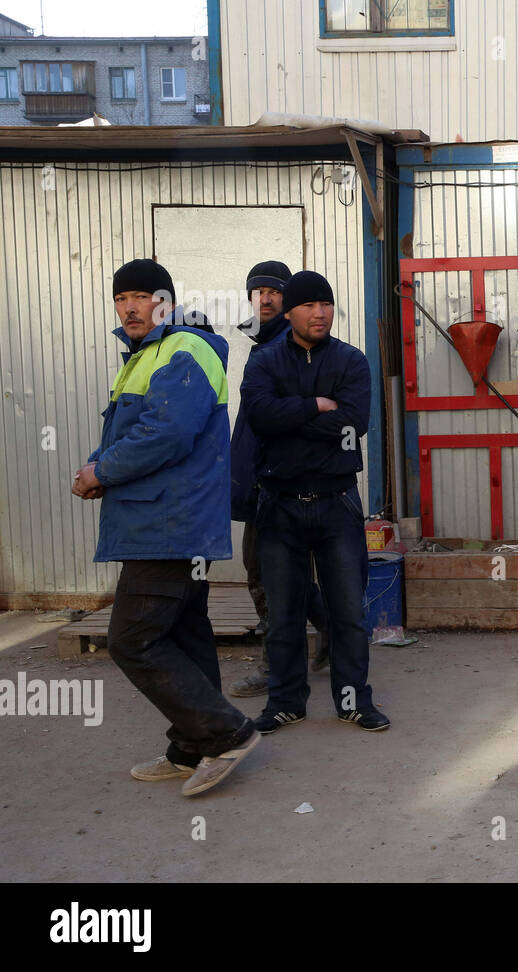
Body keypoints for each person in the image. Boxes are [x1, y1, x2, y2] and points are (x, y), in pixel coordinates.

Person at [74, 258, 259, 796]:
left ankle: (227, 734)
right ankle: (190, 748)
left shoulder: (185, 350)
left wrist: (102, 472)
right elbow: (128, 435)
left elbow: (167, 435)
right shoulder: (141, 358)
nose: (130, 307)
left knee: (131, 639)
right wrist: (95, 467)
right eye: (120, 298)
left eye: (142, 296)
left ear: (166, 302)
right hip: (160, 516)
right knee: (184, 632)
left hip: (170, 520)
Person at [240, 270, 389, 733]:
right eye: (309, 305)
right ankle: (286, 702)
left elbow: (352, 426)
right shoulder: (265, 360)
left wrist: (293, 418)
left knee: (347, 612)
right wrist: (313, 406)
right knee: (283, 615)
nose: (319, 313)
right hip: (278, 504)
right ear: (290, 312)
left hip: (336, 503)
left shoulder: (350, 360)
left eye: (325, 304)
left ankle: (352, 701)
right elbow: (259, 417)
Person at [228, 261, 331, 697]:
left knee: (263, 572)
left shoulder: (287, 347)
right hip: (259, 476)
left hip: (279, 479)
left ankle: (276, 665)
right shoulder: (261, 345)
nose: (266, 299)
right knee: (276, 570)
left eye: (275, 292)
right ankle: (332, 627)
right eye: (259, 292)